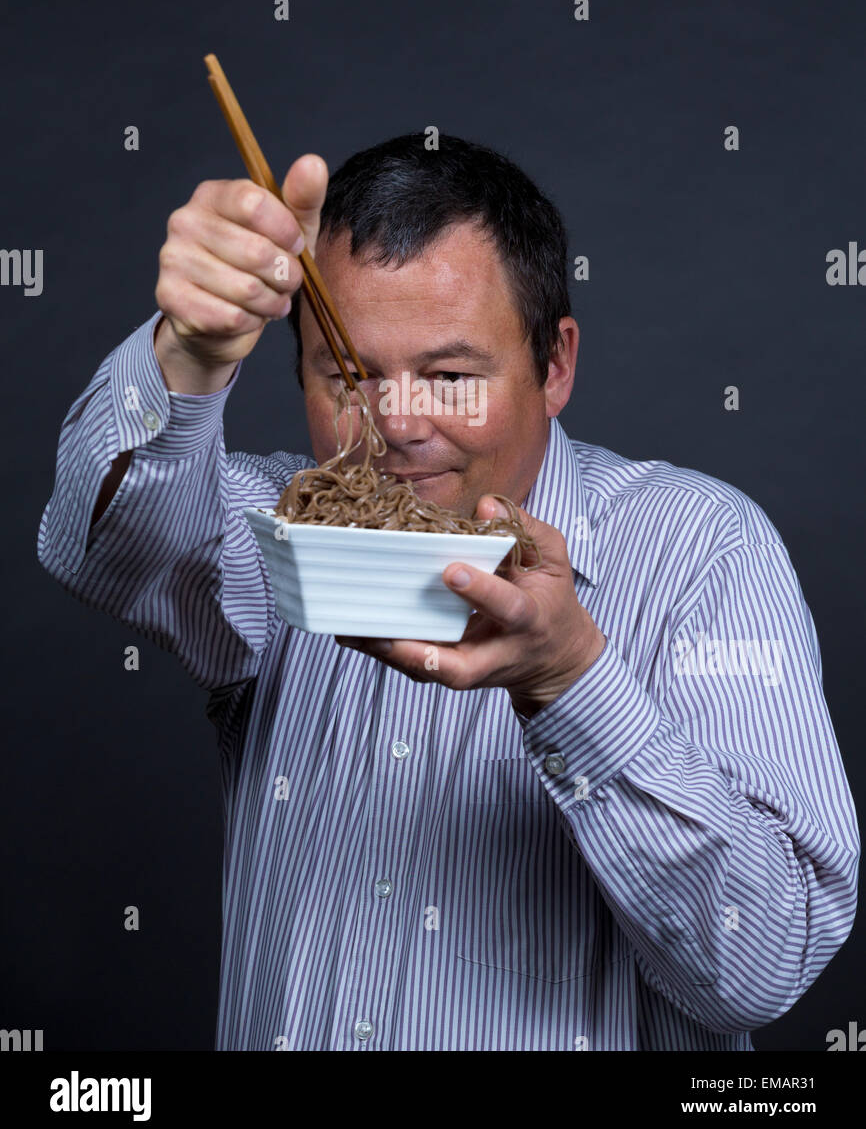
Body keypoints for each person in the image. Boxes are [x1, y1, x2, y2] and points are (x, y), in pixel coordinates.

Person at [38, 133, 858, 1051]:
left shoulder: (701, 549)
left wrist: (572, 684)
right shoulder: (287, 535)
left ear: (555, 366)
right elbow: (100, 547)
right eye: (348, 375)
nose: (396, 424)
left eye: (451, 378)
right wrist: (189, 352)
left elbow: (763, 963)